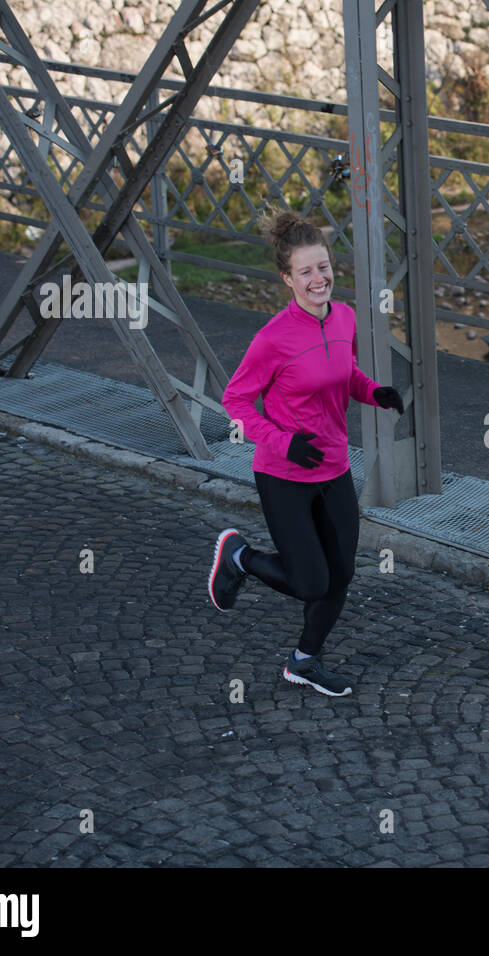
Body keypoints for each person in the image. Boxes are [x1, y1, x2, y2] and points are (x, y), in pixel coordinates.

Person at [207, 209, 404, 696]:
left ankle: (304, 661)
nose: (318, 279)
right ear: (287, 278)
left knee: (340, 576)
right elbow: (235, 401)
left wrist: (373, 392)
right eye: (305, 272)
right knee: (312, 582)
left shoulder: (345, 317)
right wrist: (283, 440)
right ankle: (240, 557)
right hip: (283, 475)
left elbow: (345, 374)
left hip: (334, 467)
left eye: (323, 268)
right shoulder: (273, 338)